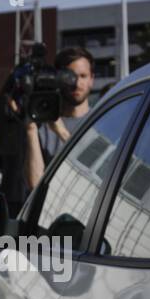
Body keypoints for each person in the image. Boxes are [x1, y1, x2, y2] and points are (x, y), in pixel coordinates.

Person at [23, 45, 96, 190]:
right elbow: (34, 184)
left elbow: (99, 174)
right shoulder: (42, 125)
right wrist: (31, 130)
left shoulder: (105, 119)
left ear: (92, 79)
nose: (76, 84)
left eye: (82, 76)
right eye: (70, 77)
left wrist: (62, 133)